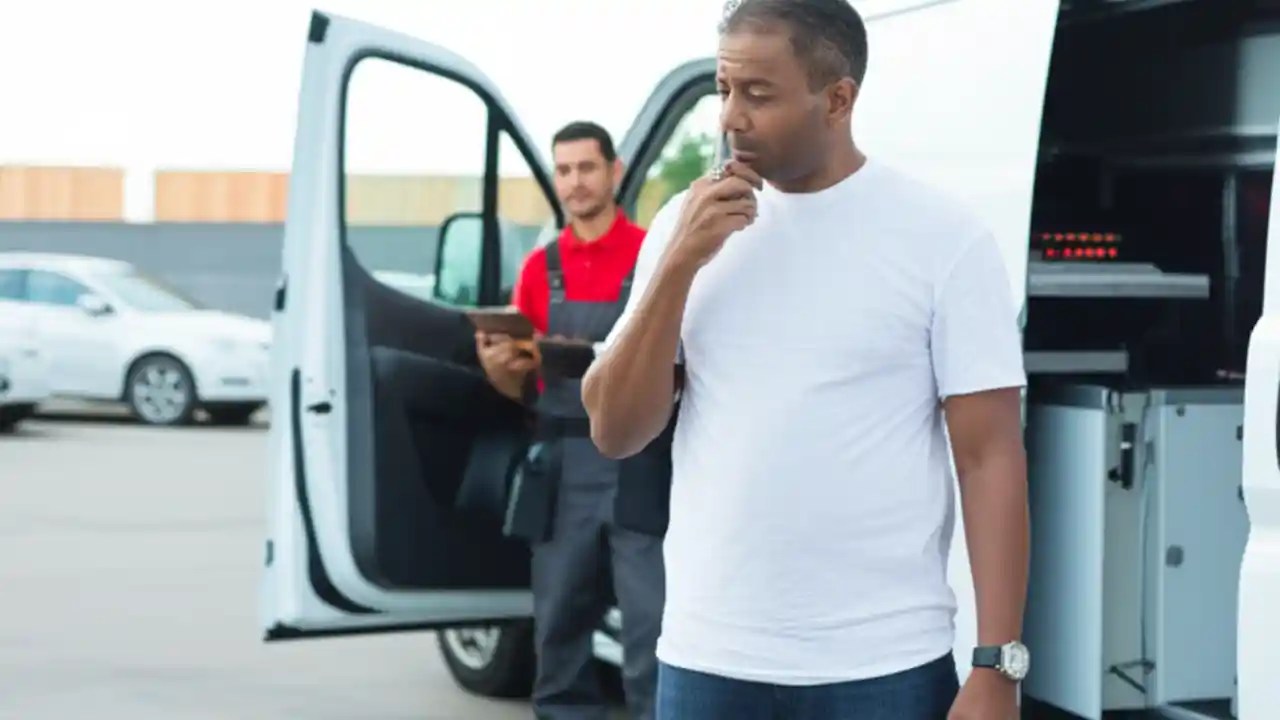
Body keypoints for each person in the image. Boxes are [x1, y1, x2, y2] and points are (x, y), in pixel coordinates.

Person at [581, 1, 1031, 719]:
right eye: (723, 89)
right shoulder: (680, 224)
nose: (730, 117)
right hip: (709, 659)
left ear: (839, 99)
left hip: (885, 664)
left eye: (758, 94)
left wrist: (997, 665)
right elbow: (614, 429)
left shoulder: (943, 237)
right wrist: (678, 265)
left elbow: (991, 458)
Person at [475, 121, 670, 720]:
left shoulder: (652, 251)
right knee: (558, 620)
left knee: (651, 628)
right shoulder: (540, 268)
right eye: (563, 171)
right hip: (563, 462)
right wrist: (499, 366)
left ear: (614, 171)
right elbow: (521, 389)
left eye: (586, 168)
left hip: (641, 461)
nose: (574, 182)